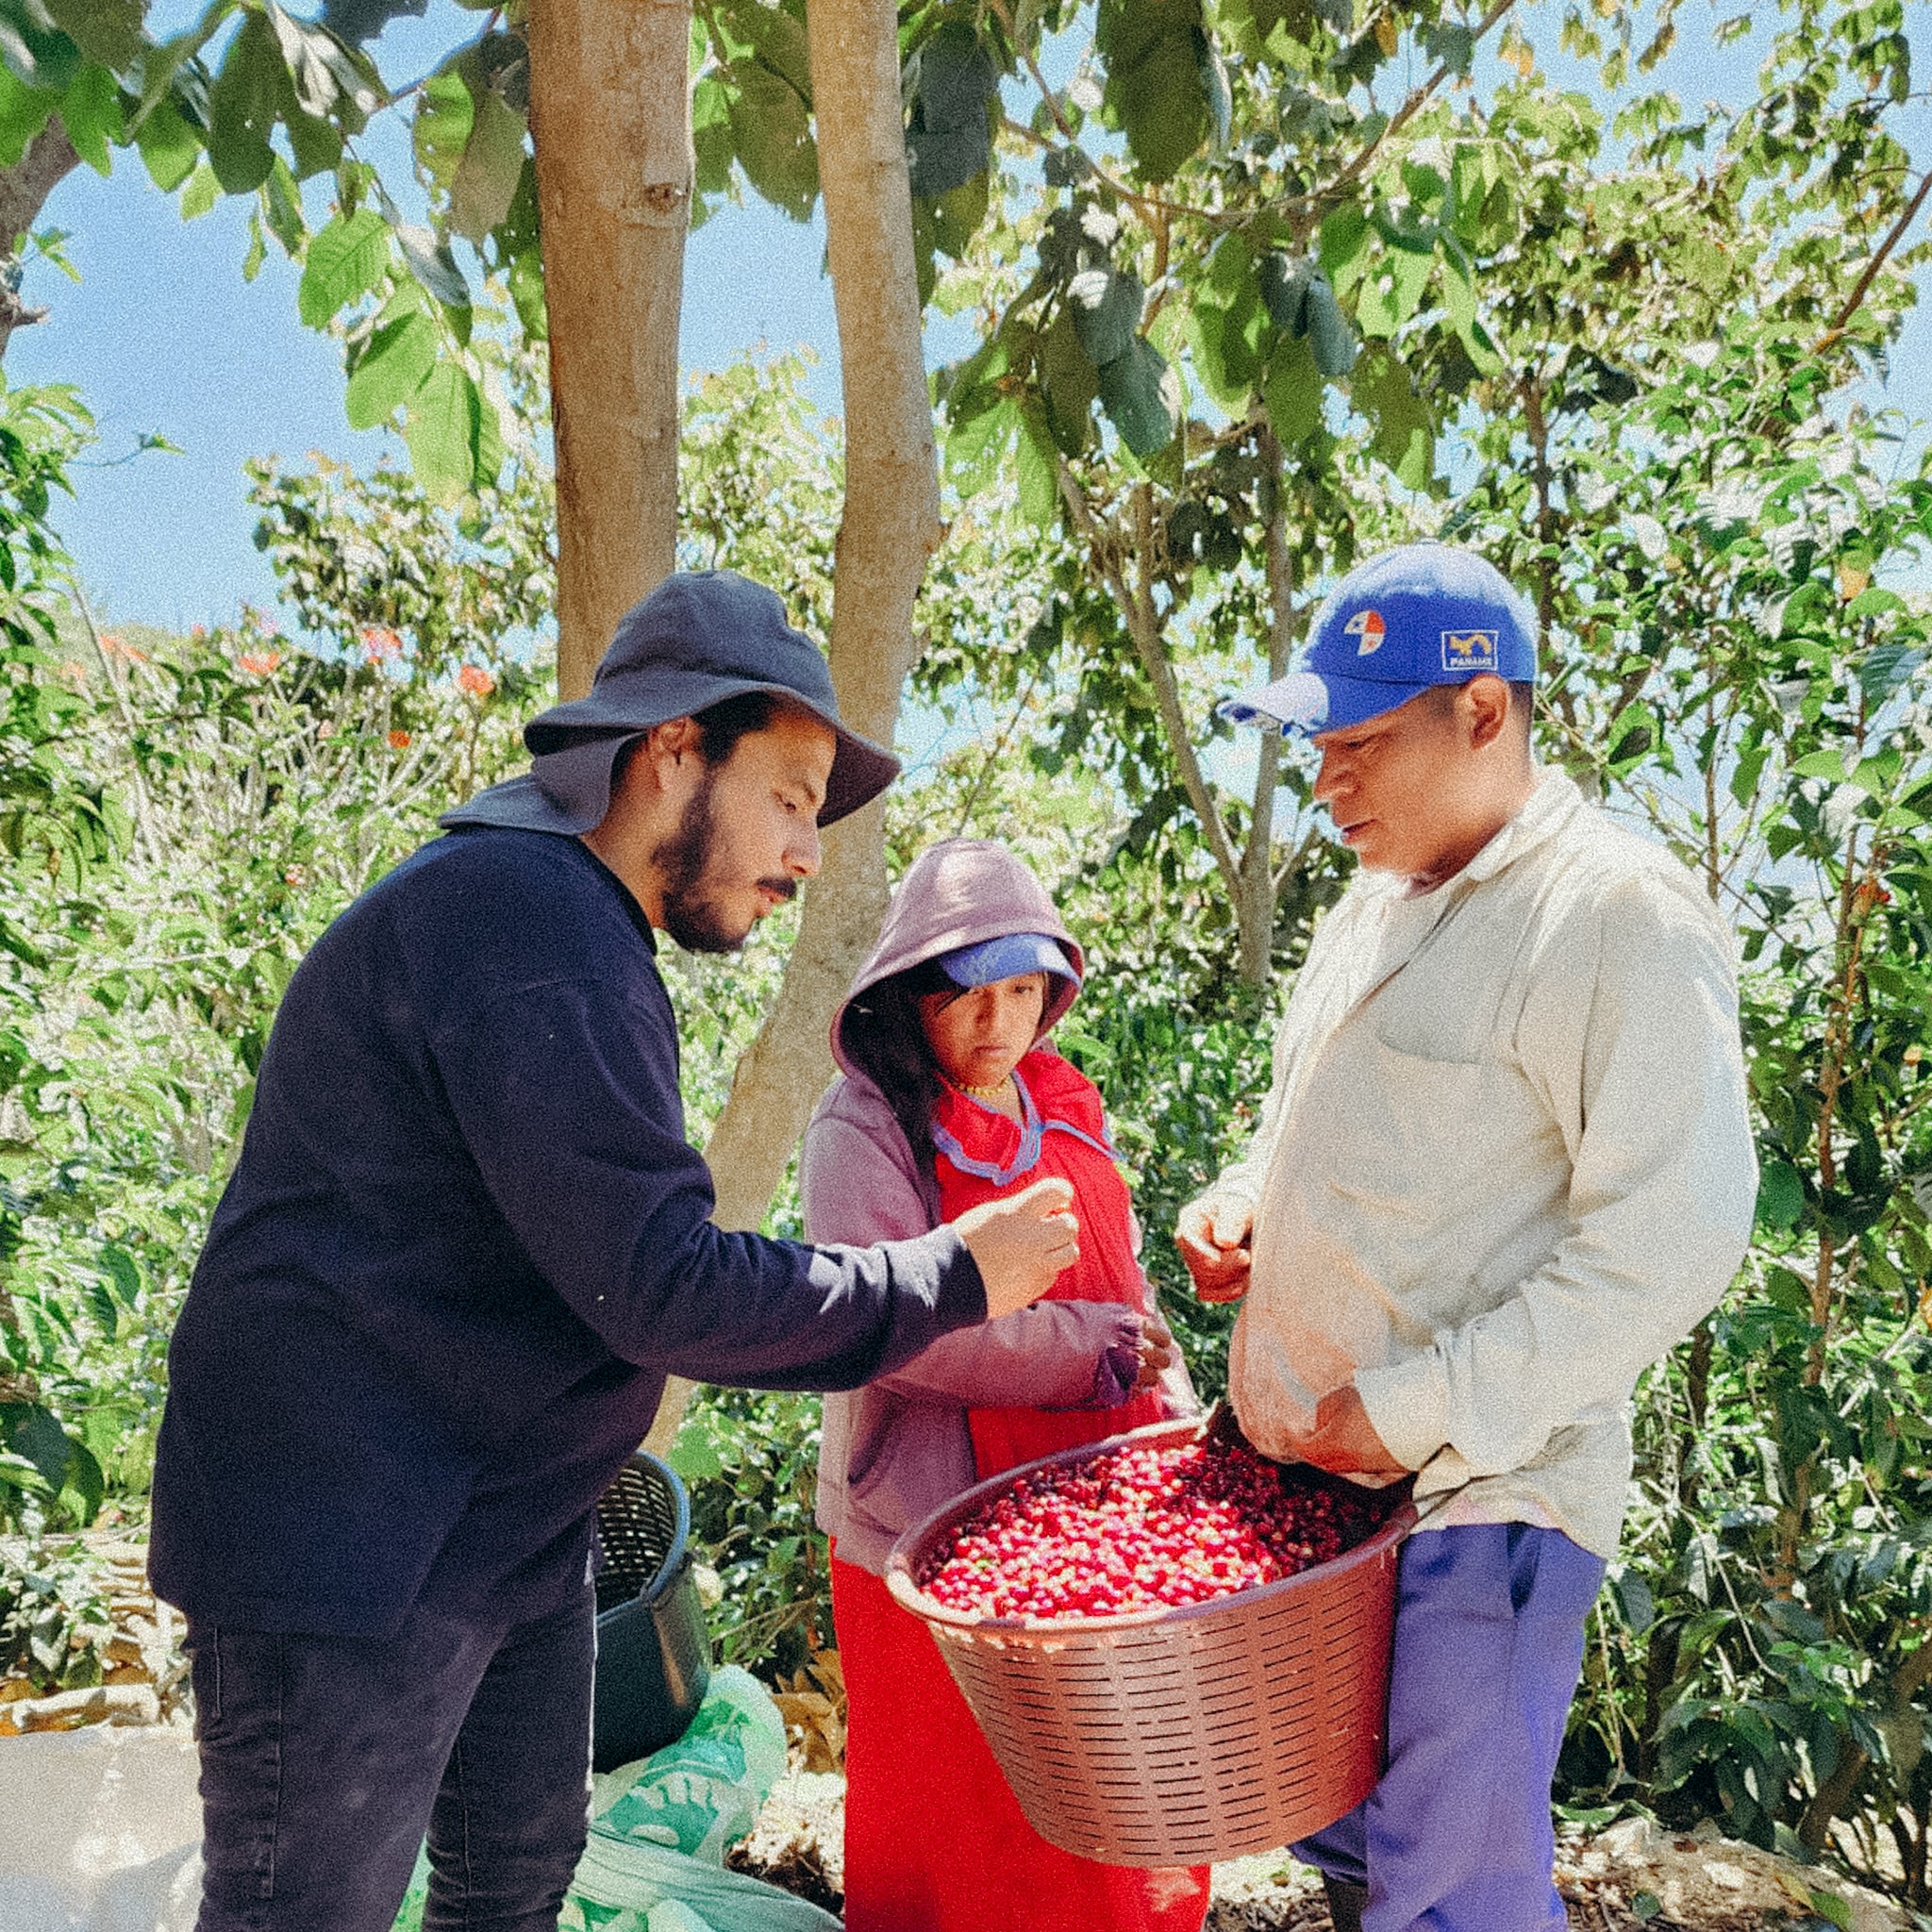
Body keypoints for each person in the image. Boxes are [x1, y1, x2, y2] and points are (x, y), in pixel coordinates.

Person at [146, 572, 1082, 1932]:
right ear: (670, 751)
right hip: (353, 1538)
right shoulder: (524, 916)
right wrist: (950, 1273)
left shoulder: (571, 924)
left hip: (501, 1524)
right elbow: (660, 1284)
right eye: (790, 796)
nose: (808, 852)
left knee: (513, 1881)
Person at [1180, 543, 1757, 1932]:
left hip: (1479, 1502)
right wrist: (1251, 1197)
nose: (1327, 778)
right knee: (1349, 1852)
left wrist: (1418, 1407)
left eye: (1362, 742)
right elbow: (1322, 1127)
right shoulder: (1372, 909)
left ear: (1485, 713)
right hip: (1322, 1491)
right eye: (1321, 744)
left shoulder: (1613, 913)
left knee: (1452, 1895)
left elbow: (1673, 1238)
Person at [802, 836, 1208, 1932]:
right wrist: (1093, 1346)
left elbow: (1120, 1282)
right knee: (960, 1803)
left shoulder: (1064, 1100)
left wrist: (1167, 1400)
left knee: (1101, 1785)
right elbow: (893, 1328)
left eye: (1023, 992)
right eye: (967, 998)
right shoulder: (862, 1124)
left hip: (1081, 1514)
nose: (999, 1026)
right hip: (924, 1526)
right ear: (907, 999)